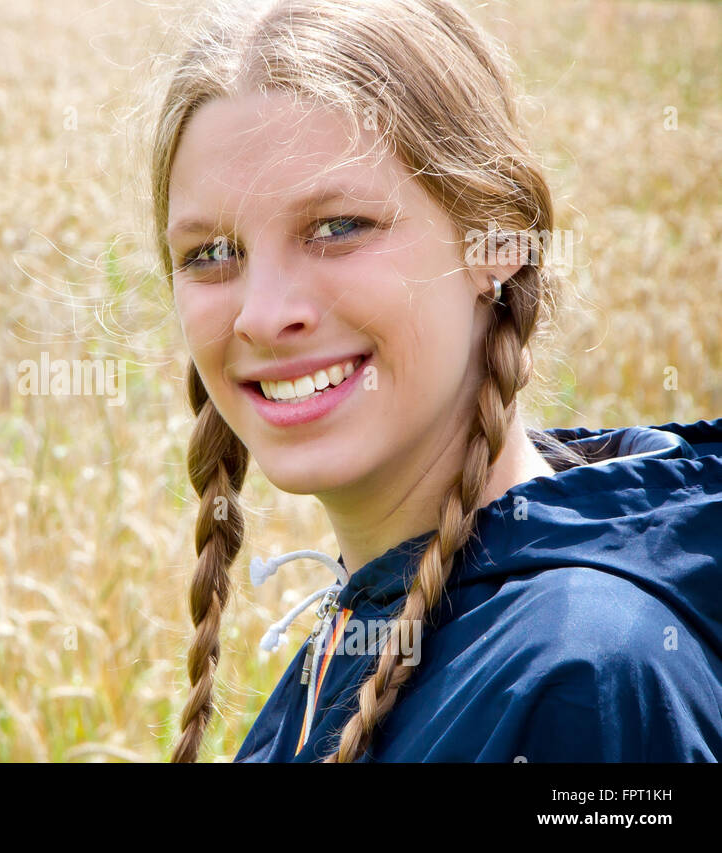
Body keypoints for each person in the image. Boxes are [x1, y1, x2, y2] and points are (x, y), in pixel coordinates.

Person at [149, 0, 722, 762]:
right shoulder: (363, 632)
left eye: (338, 227)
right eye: (212, 251)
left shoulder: (584, 678)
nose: (261, 314)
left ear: (498, 241)